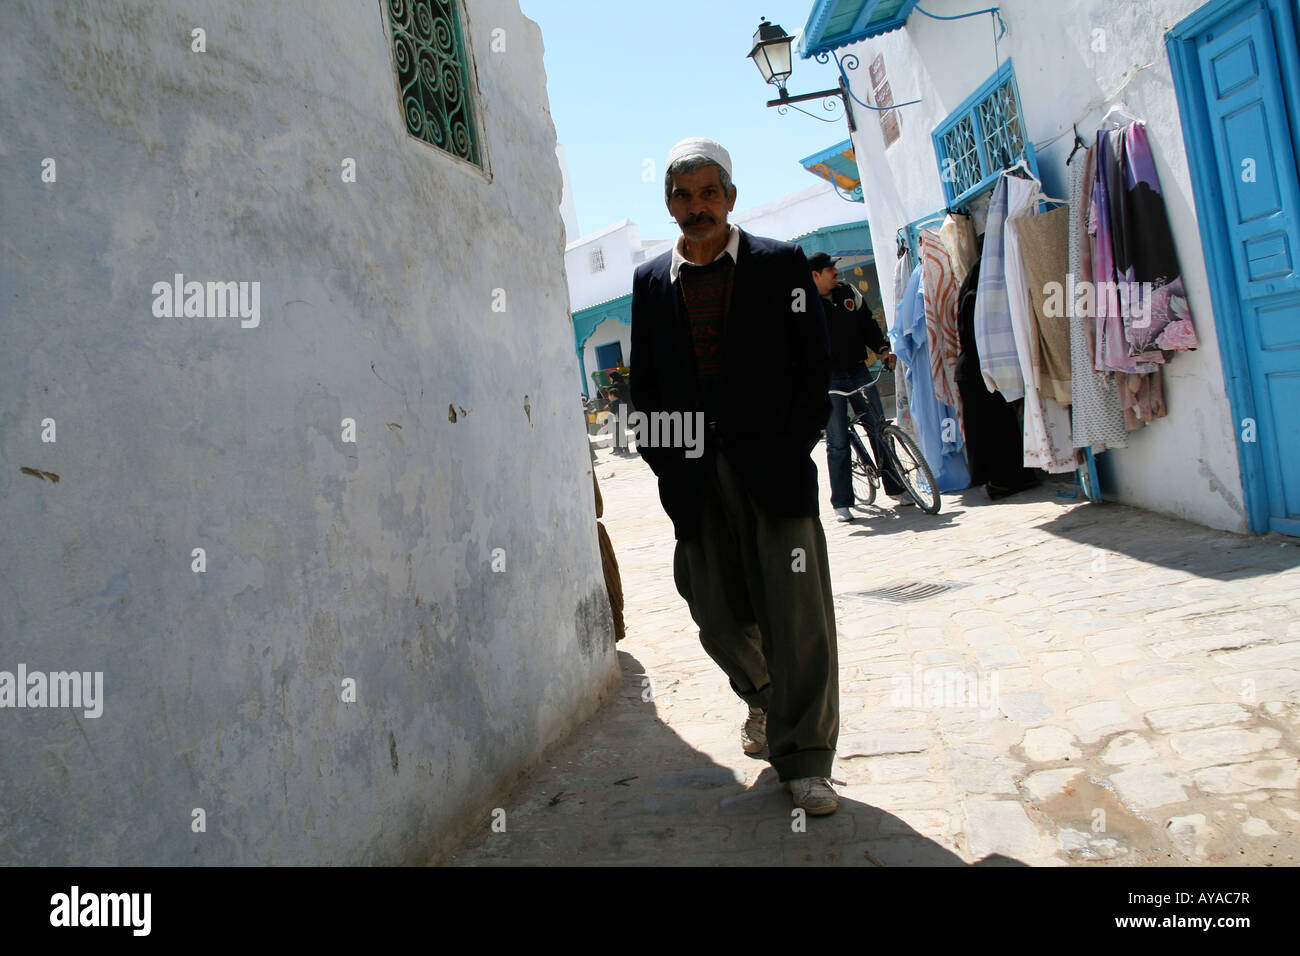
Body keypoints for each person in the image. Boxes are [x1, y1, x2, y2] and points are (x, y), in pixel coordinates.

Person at [629, 137, 840, 815]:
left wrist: (792, 444)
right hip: (694, 475)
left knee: (796, 615)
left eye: (708, 193)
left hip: (773, 469)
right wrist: (666, 459)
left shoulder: (780, 267)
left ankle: (805, 759)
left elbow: (814, 366)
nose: (697, 208)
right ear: (669, 205)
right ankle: (766, 700)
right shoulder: (651, 281)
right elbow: (649, 386)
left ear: (731, 197)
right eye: (683, 197)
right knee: (714, 610)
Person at [809, 253, 911, 519]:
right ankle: (842, 502)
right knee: (838, 440)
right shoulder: (803, 303)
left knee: (879, 428)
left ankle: (897, 488)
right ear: (815, 275)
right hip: (829, 378)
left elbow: (868, 324)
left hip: (858, 370)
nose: (835, 272)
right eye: (830, 269)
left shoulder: (849, 293)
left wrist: (883, 349)